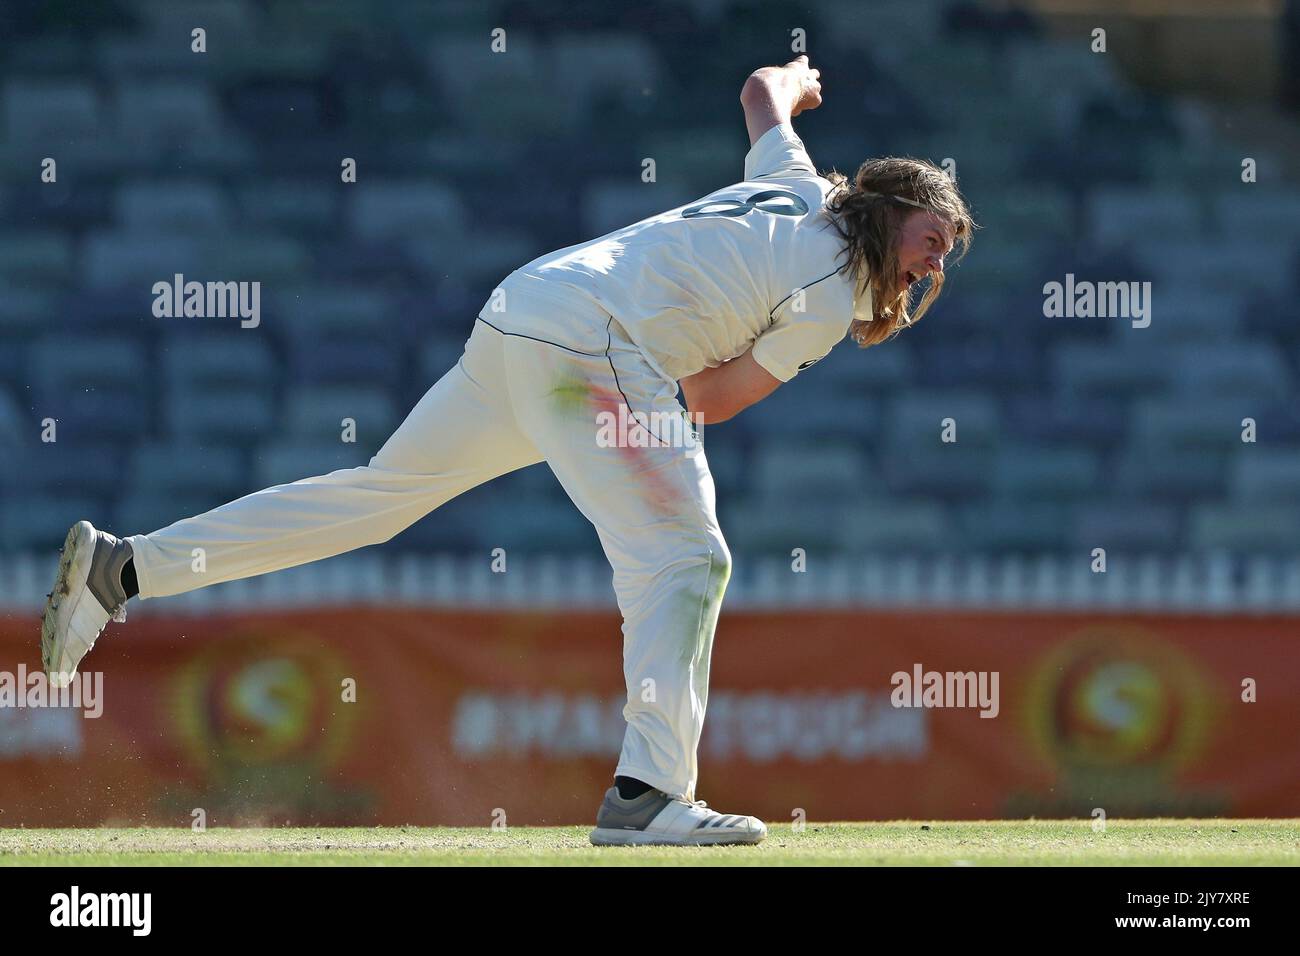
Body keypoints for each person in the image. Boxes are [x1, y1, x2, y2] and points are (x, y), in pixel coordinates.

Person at [41, 56, 973, 846]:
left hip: (529, 305)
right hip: (595, 344)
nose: (932, 266)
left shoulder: (801, 178)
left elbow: (759, 92)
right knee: (689, 556)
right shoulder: (827, 288)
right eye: (931, 240)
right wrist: (629, 438)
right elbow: (716, 398)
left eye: (945, 258)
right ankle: (649, 797)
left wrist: (800, 76)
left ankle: (123, 573)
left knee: (378, 494)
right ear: (892, 208)